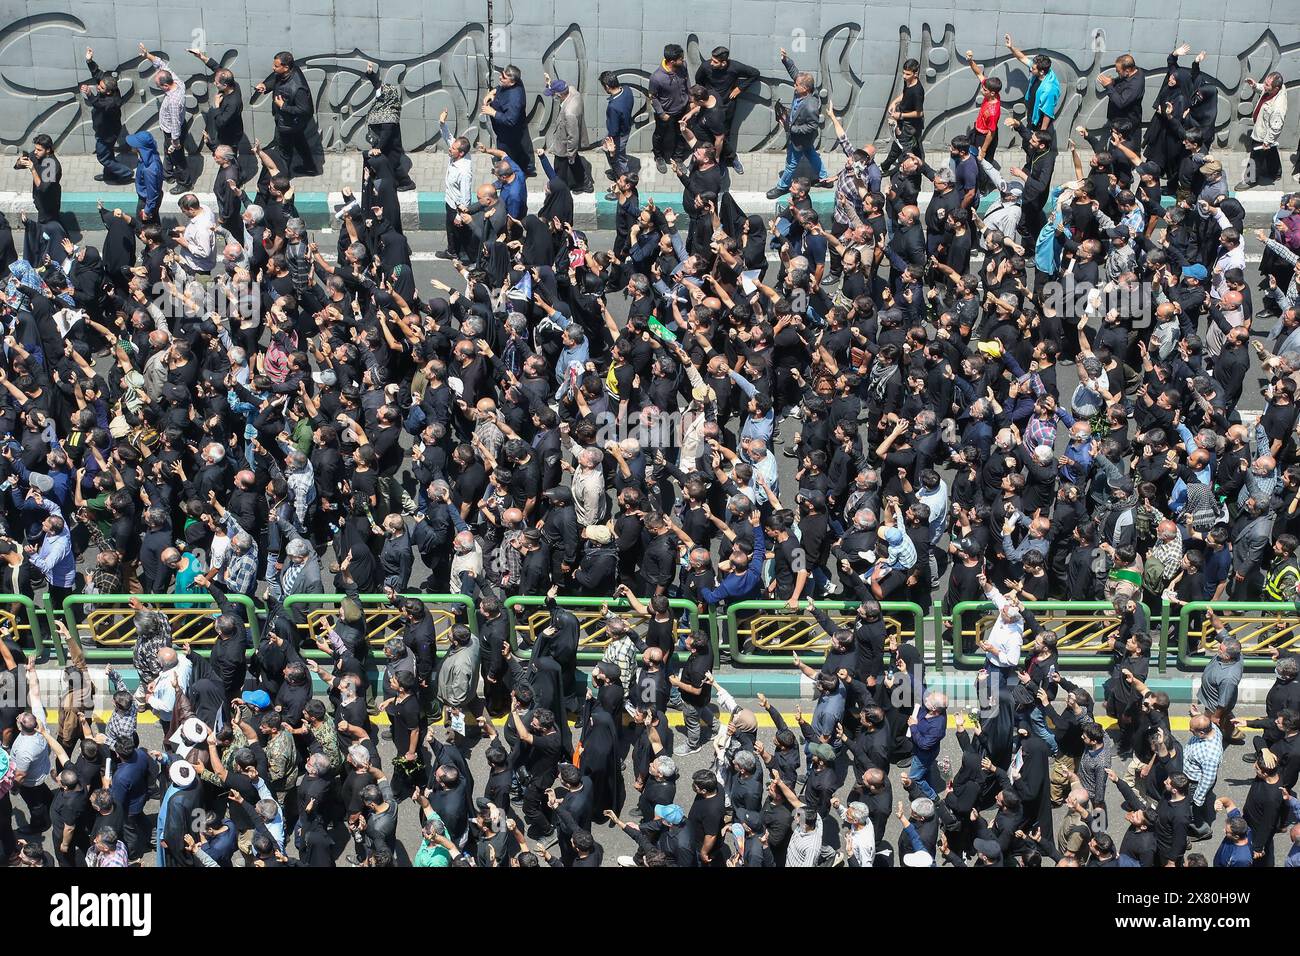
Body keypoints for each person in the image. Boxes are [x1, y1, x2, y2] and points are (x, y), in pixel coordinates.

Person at [766, 49, 827, 200]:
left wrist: (792, 128)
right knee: (811, 154)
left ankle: (781, 187)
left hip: (799, 138)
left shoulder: (810, 106)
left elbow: (812, 126)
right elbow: (795, 73)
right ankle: (825, 179)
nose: (794, 86)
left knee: (791, 164)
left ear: (805, 88)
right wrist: (786, 60)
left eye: (796, 85)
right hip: (803, 140)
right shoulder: (804, 89)